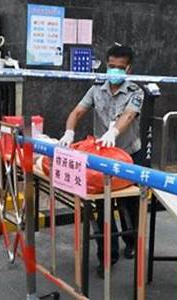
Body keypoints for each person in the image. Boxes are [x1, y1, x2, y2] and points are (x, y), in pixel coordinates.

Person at [59, 45, 144, 277]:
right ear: (106, 65)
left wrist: (113, 132)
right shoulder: (97, 88)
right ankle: (107, 257)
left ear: (129, 68)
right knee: (103, 208)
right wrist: (69, 132)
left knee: (129, 205)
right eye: (111, 66)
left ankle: (132, 242)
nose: (115, 71)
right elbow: (77, 112)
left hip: (127, 153)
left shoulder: (136, 91)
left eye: (120, 67)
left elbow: (128, 116)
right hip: (102, 157)